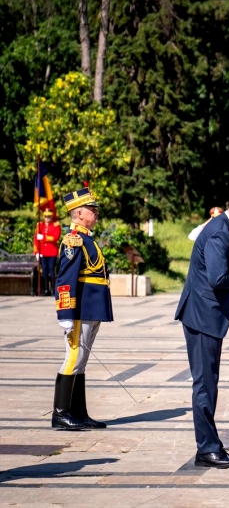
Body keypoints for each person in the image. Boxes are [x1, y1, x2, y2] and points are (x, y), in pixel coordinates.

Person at [175, 185, 229, 468]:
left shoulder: (225, 229)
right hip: (203, 317)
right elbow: (218, 278)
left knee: (209, 383)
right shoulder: (218, 232)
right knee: (204, 385)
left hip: (207, 317)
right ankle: (207, 449)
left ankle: (211, 445)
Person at [52, 184, 112, 430]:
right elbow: (65, 280)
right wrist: (65, 315)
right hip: (80, 310)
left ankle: (78, 412)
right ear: (78, 213)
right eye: (91, 209)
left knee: (82, 360)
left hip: (92, 308)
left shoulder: (87, 239)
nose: (95, 213)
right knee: (74, 357)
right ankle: (60, 413)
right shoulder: (73, 241)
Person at [34, 208, 61, 296]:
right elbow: (36, 240)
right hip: (43, 252)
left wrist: (44, 238)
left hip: (52, 252)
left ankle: (53, 290)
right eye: (46, 217)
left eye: (49, 217)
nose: (47, 218)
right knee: (44, 271)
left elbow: (55, 237)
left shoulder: (56, 225)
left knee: (51, 270)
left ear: (51, 217)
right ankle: (46, 290)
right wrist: (36, 252)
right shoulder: (39, 225)